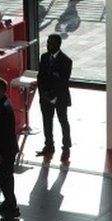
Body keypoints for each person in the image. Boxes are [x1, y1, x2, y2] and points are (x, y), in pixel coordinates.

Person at [36, 34, 73, 162]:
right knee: (47, 121)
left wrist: (52, 95)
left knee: (63, 121)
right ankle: (49, 145)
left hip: (60, 97)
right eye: (47, 43)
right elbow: (40, 77)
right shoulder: (44, 57)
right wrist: (44, 93)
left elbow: (63, 82)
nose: (47, 45)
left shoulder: (66, 61)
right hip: (45, 97)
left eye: (50, 43)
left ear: (58, 45)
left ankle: (66, 148)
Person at [0, 77, 19, 219]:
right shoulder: (1, 105)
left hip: (5, 150)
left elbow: (3, 134)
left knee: (5, 179)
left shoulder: (3, 108)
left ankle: (12, 207)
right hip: (7, 149)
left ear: (2, 91)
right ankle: (8, 203)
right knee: (4, 179)